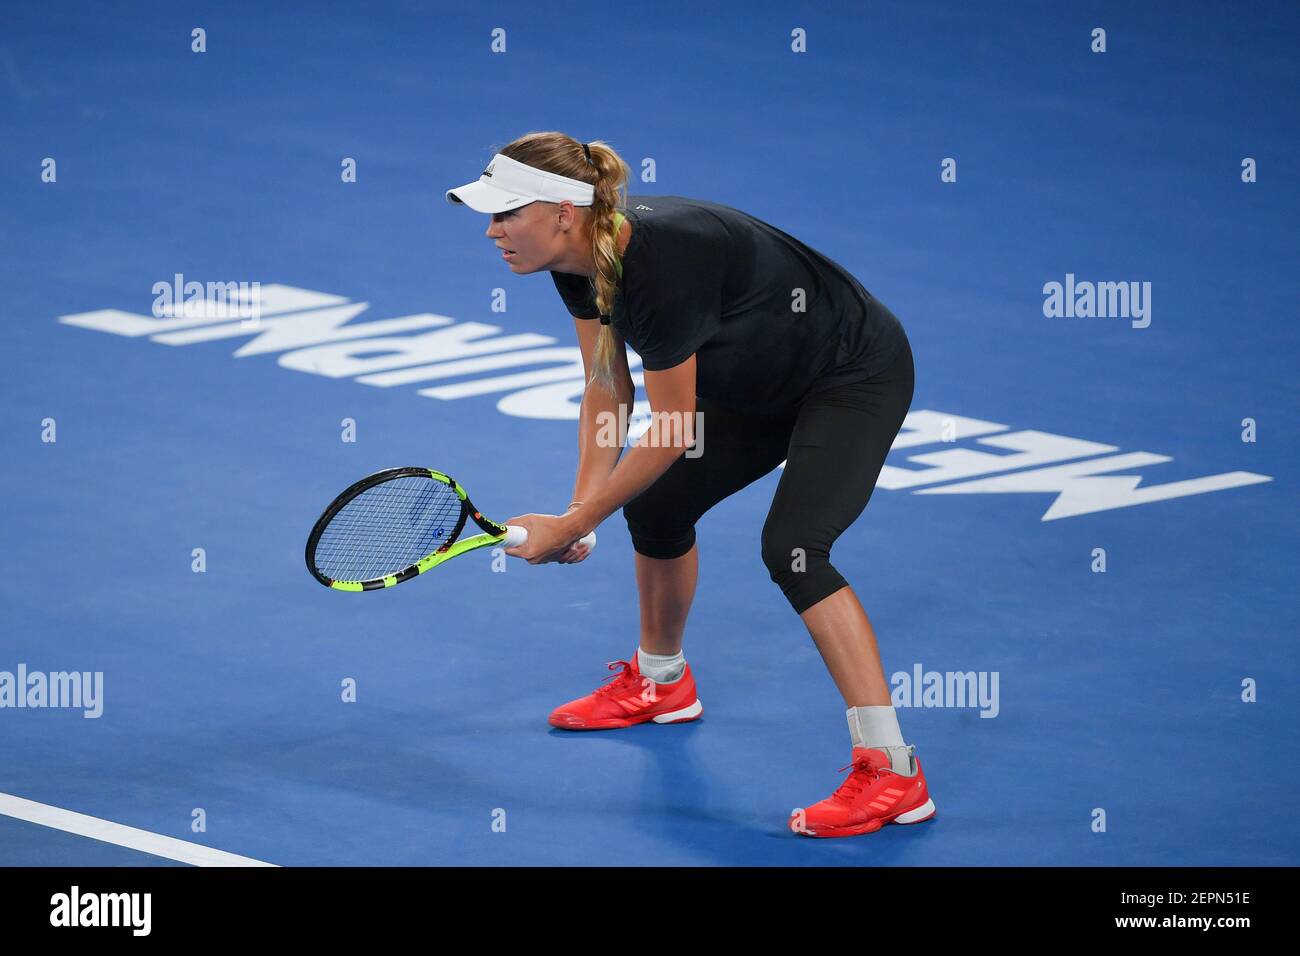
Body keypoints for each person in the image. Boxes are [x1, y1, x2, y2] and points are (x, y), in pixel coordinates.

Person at [445, 131, 935, 837]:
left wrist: (576, 525)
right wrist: (581, 507)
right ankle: (662, 681)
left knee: (795, 548)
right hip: (751, 380)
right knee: (657, 505)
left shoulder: (660, 264)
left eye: (505, 214)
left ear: (561, 211)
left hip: (847, 374)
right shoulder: (573, 257)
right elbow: (606, 382)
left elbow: (672, 428)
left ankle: (893, 771)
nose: (491, 232)